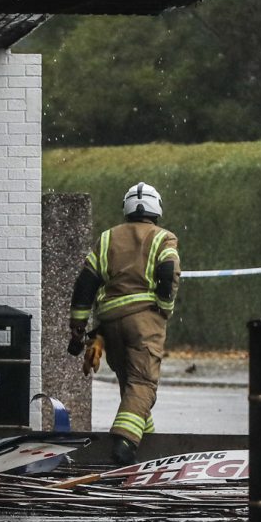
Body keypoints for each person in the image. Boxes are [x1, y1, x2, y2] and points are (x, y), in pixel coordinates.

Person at [67, 181, 181, 466]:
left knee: (130, 385)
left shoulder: (107, 238)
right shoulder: (163, 238)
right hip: (144, 320)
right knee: (143, 383)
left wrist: (79, 327)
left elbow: (85, 283)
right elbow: (168, 273)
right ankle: (124, 443)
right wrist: (164, 308)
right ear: (157, 210)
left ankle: (148, 445)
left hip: (110, 321)